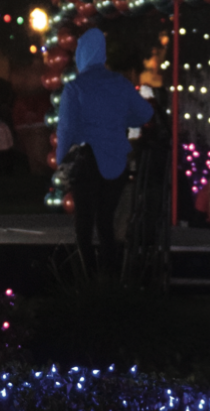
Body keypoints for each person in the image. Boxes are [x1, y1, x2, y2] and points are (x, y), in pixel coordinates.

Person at [56, 28, 154, 275]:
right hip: (116, 158)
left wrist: (60, 161)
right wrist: (122, 120)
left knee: (84, 226)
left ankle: (87, 278)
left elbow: (66, 129)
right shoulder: (120, 83)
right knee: (106, 222)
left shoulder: (75, 88)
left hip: (89, 159)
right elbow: (145, 113)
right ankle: (111, 277)